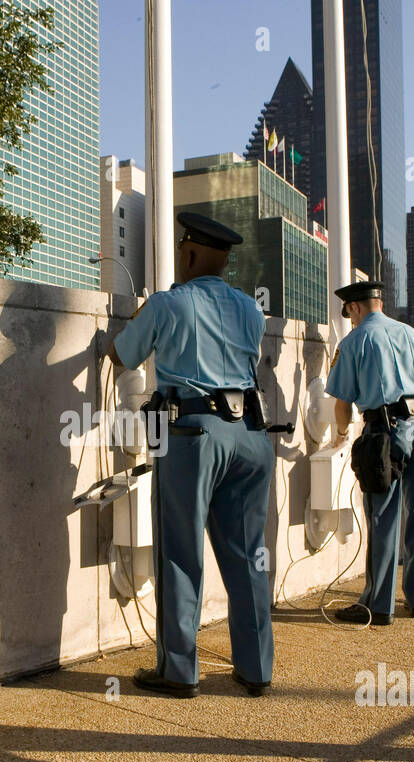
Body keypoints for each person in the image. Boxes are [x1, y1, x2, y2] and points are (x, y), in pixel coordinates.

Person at [106, 212, 276, 698]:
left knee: (181, 553)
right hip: (249, 433)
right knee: (248, 556)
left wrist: (138, 322)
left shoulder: (166, 304)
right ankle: (256, 668)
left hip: (193, 436)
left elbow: (122, 355)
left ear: (187, 252)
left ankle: (179, 671)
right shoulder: (250, 309)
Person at [327, 281, 414, 625]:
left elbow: (343, 403)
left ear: (354, 307)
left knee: (383, 518)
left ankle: (378, 605)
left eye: (350, 315)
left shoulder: (355, 341)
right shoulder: (412, 335)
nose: (351, 321)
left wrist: (342, 434)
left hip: (385, 434)